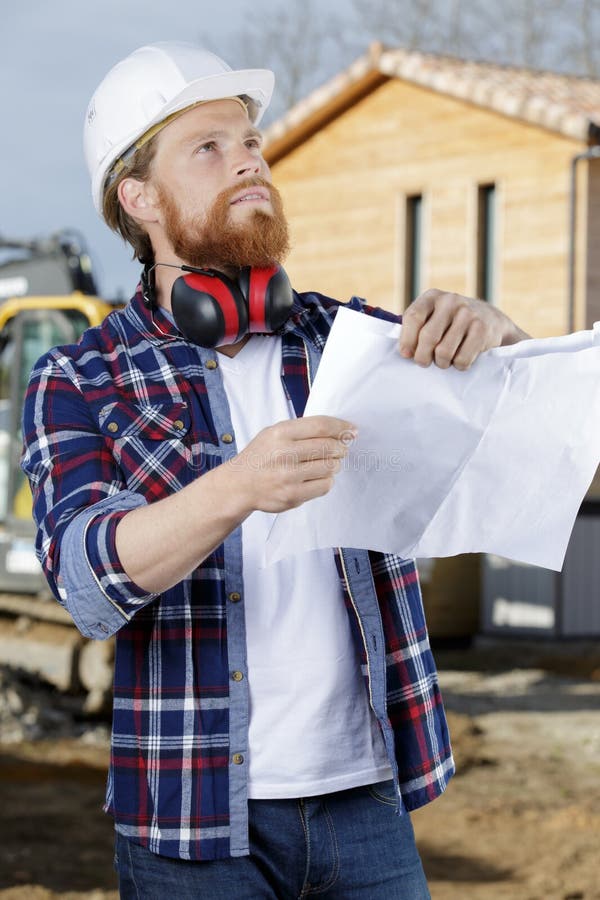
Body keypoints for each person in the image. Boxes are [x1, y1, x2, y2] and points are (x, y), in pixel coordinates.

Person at [22, 42, 528, 899]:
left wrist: (501, 339)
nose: (249, 159)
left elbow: (527, 445)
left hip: (367, 806)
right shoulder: (80, 376)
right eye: (208, 146)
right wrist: (237, 487)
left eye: (251, 140)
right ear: (138, 197)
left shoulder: (355, 344)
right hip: (190, 822)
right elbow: (84, 583)